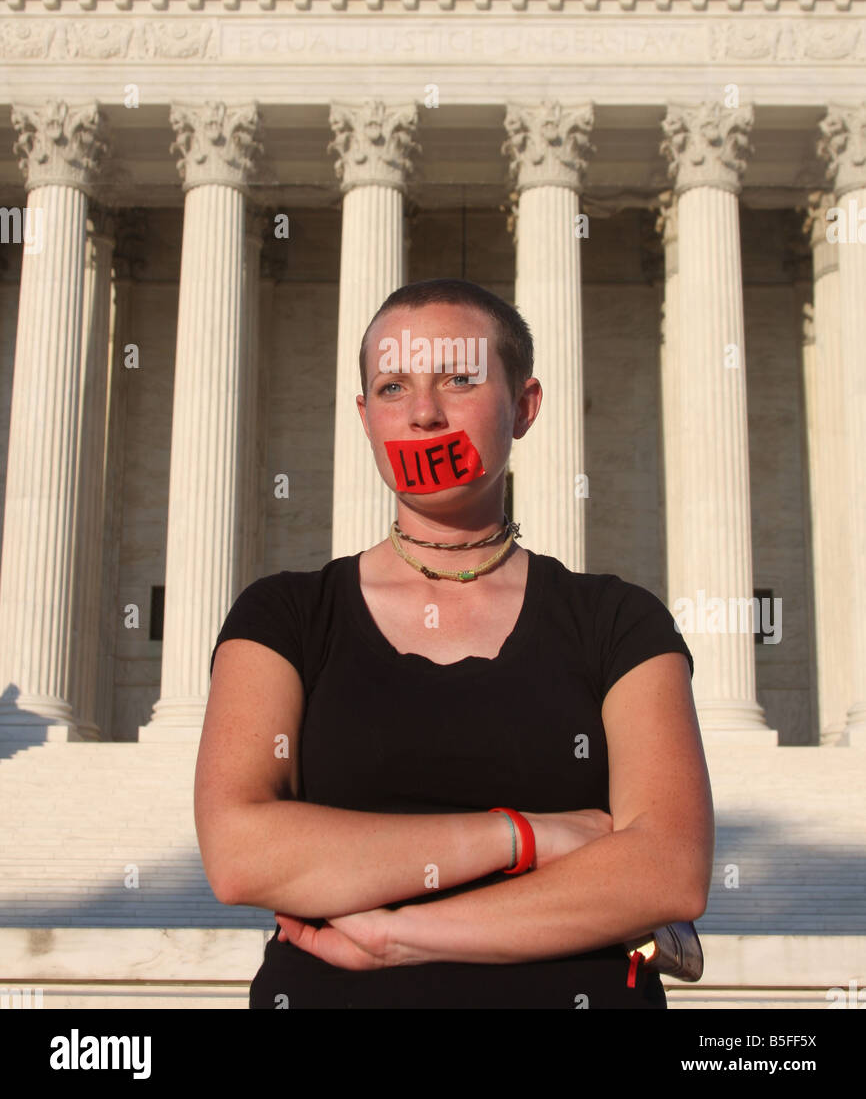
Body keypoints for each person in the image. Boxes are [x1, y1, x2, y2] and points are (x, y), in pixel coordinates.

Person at [195, 278, 714, 1008]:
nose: (424, 413)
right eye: (393, 386)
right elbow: (241, 855)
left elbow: (668, 869)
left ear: (525, 406)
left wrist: (399, 936)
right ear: (365, 416)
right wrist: (528, 837)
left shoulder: (617, 621)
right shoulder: (284, 616)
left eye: (459, 379)